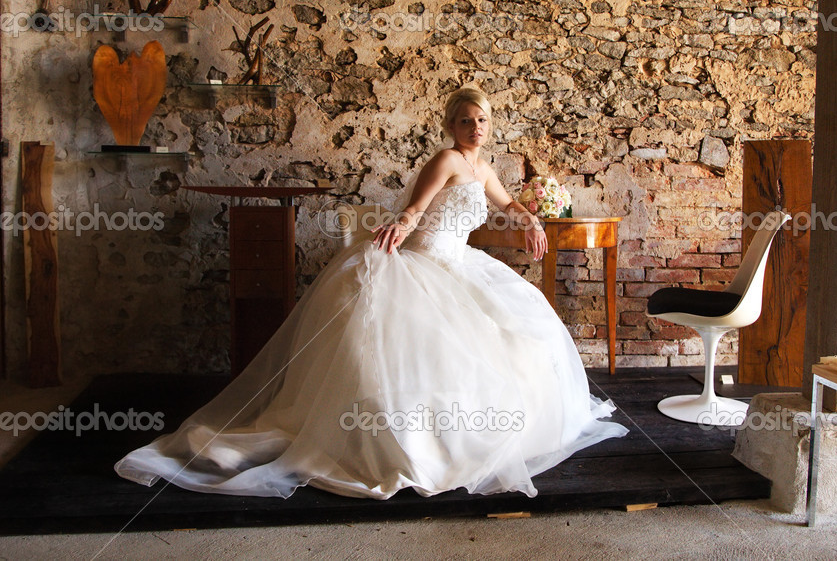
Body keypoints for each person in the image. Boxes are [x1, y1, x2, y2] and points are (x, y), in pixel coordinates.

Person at [115, 87, 627, 500]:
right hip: (427, 259)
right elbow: (417, 207)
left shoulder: (484, 168)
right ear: (451, 126)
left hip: (462, 264)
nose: (475, 129)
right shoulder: (447, 159)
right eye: (466, 121)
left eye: (483, 121)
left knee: (521, 330)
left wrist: (532, 219)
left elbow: (508, 201)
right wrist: (399, 230)